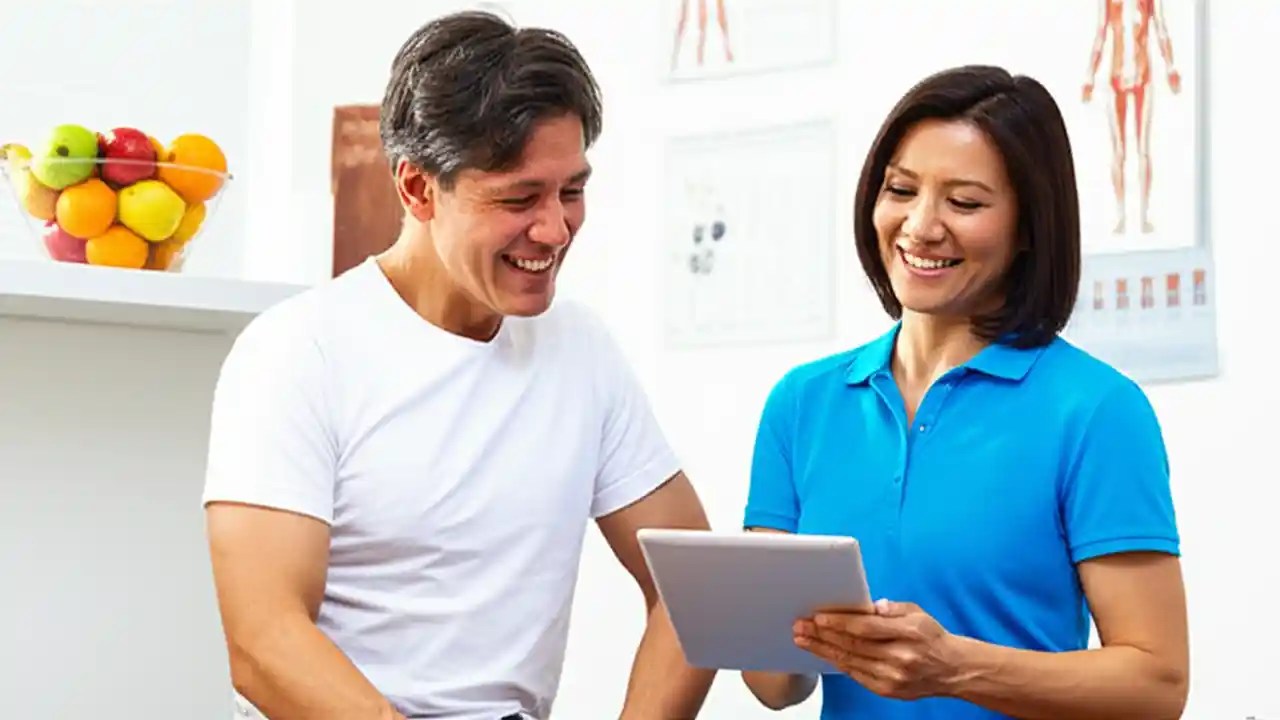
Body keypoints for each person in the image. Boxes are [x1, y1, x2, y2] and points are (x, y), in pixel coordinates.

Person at [201, 10, 715, 720]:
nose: (555, 229)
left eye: (571, 190)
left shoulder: (582, 352)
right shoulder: (296, 352)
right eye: (518, 198)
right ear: (416, 188)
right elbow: (263, 641)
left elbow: (696, 587)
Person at [740, 65, 1188, 719]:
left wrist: (954, 668)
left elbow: (1156, 684)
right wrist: (757, 625)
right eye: (901, 189)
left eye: (965, 203)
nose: (920, 226)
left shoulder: (1096, 412)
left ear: (1029, 225)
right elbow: (776, 685)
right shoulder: (802, 404)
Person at [1082, 0, 1182, 235]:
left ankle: (1144, 213)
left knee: (1143, 149)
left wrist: (1170, 67)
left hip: (1143, 76)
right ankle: (1120, 214)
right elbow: (1101, 33)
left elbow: (1160, 28)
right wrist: (1090, 75)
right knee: (1119, 151)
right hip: (1116, 78)